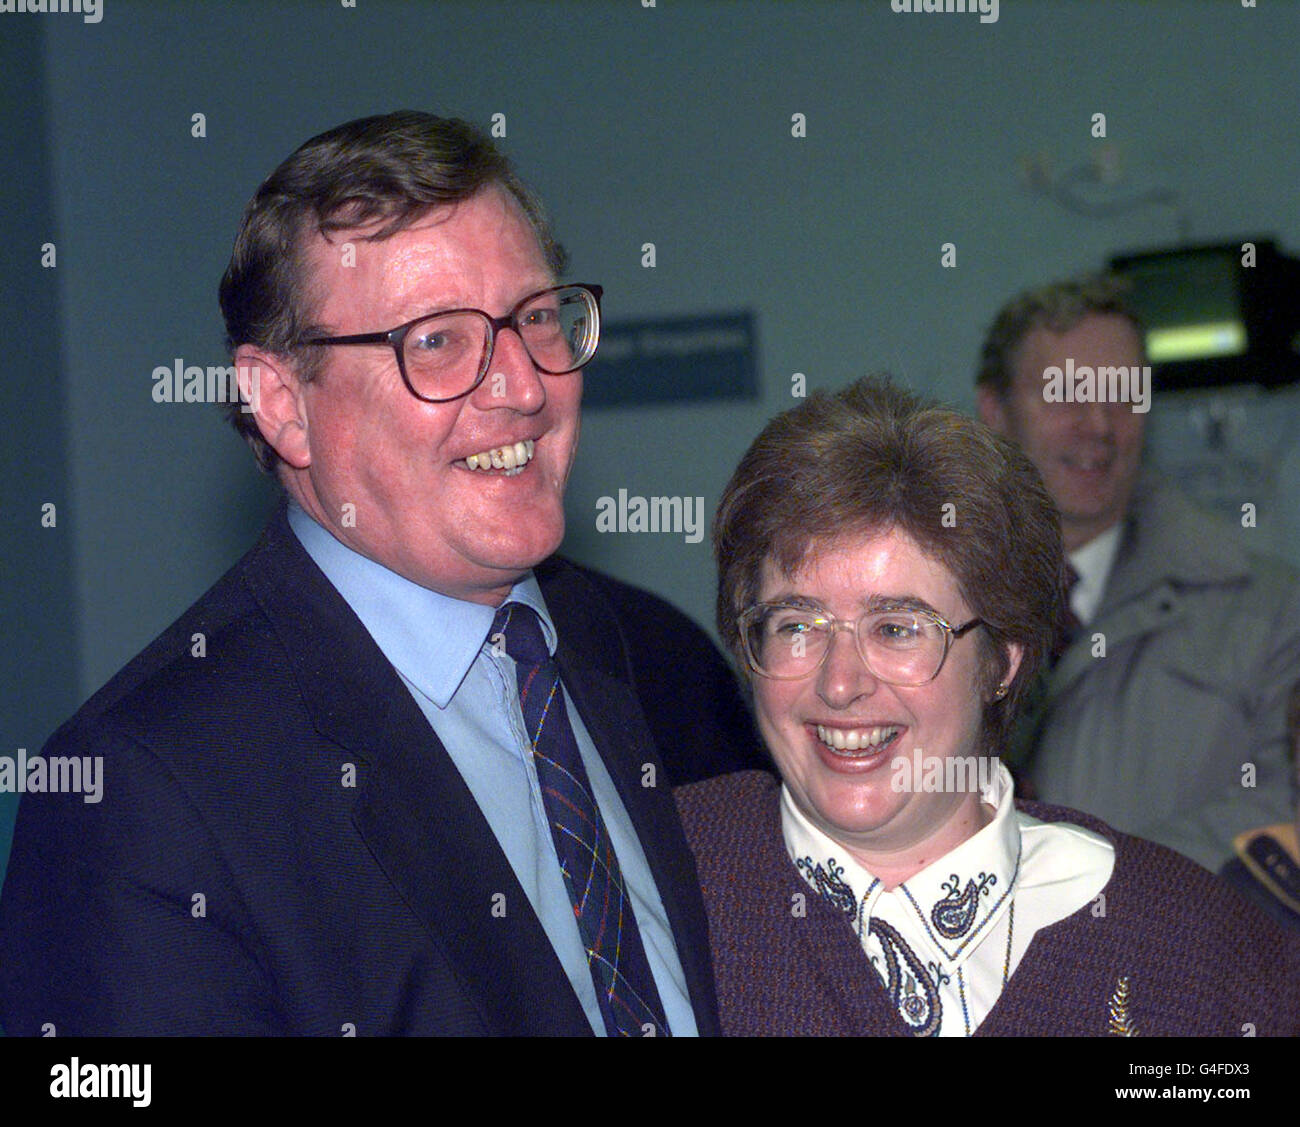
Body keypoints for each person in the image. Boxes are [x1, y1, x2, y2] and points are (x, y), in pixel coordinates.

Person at [0, 110, 761, 1036]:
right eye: (437, 341)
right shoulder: (145, 795)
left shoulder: (634, 652)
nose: (522, 386)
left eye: (535, 319)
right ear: (281, 404)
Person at [676, 377, 1300, 1036]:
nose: (839, 683)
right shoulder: (663, 873)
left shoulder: (1191, 949)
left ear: (1003, 659)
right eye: (797, 624)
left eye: (897, 628)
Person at [975, 274, 1300, 873]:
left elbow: (1285, 812)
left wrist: (1097, 884)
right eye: (1065, 393)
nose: (1098, 424)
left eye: (1123, 393)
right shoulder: (923, 606)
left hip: (1173, 957)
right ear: (995, 410)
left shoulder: (1271, 613)